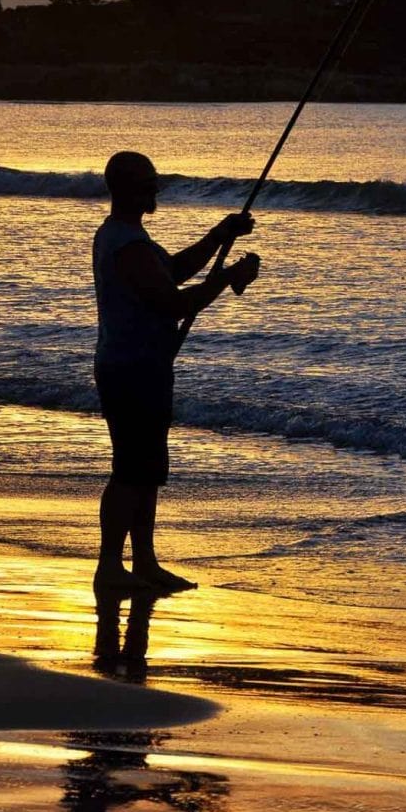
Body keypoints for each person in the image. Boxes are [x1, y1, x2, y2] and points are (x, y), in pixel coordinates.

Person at [92, 150, 259, 591]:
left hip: (142, 365)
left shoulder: (127, 237)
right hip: (132, 370)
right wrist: (227, 278)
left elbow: (174, 271)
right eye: (148, 183)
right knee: (130, 470)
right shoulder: (125, 245)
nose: (155, 189)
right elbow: (174, 302)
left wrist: (219, 235)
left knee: (146, 470)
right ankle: (110, 567)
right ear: (126, 188)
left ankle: (144, 563)